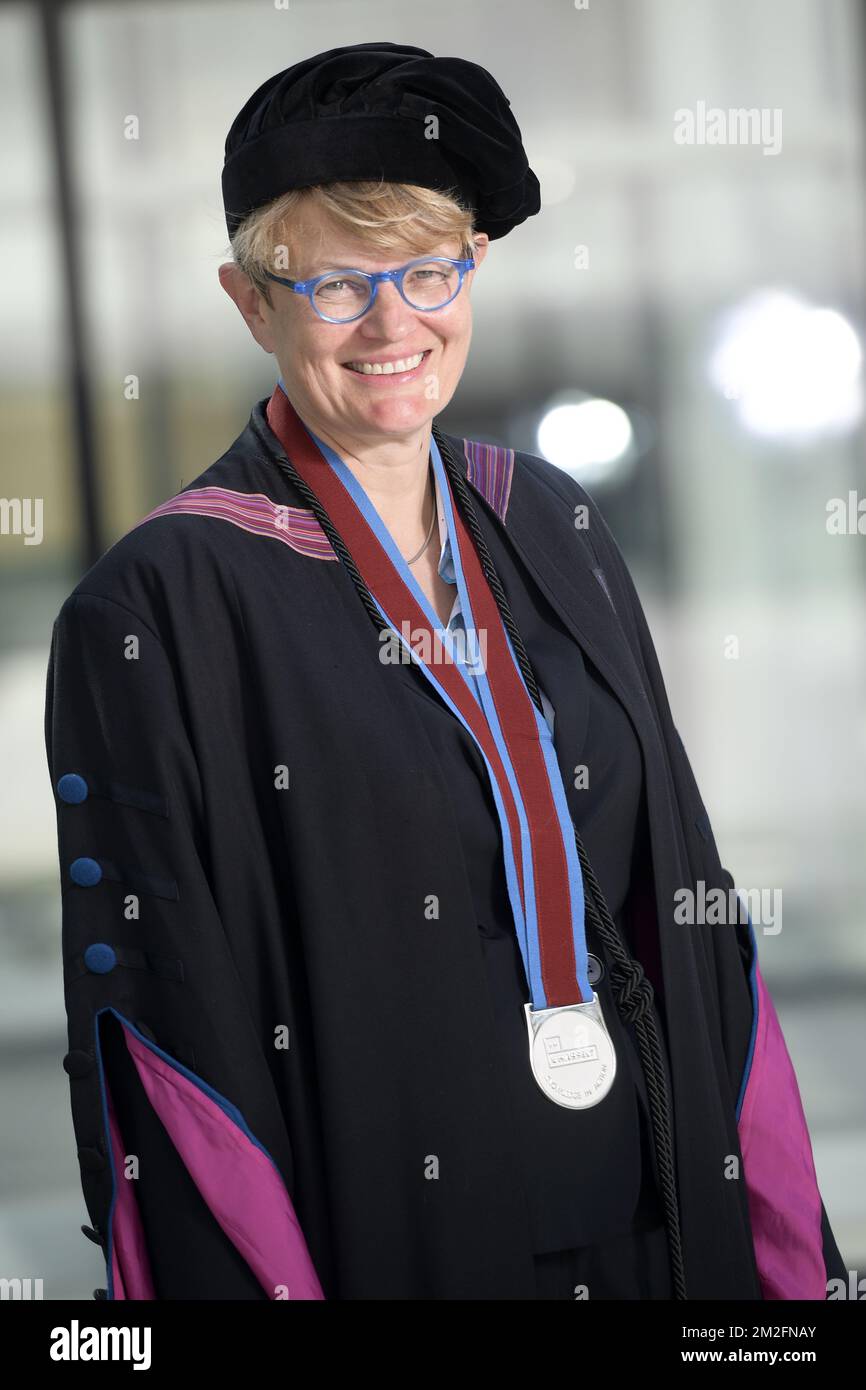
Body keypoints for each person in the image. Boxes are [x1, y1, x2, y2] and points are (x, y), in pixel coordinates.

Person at [45, 41, 845, 1301]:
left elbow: (687, 894)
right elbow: (167, 1027)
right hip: (389, 1237)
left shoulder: (552, 524)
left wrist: (787, 1268)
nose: (393, 322)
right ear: (249, 302)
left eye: (430, 269)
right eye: (335, 285)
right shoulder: (163, 602)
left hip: (658, 1211)